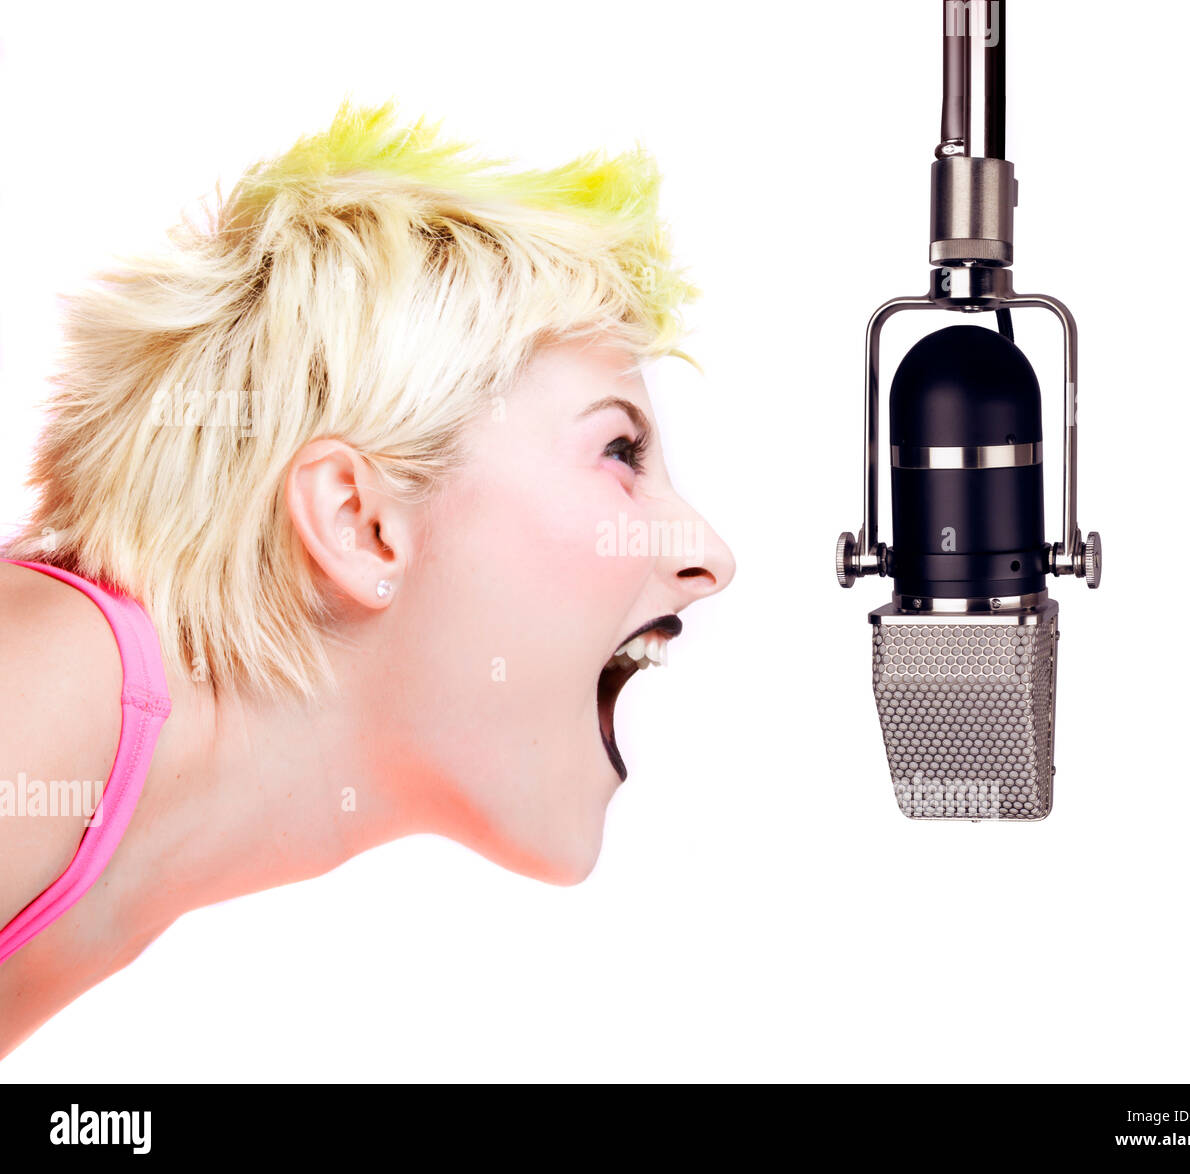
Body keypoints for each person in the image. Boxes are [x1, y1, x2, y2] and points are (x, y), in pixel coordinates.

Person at [0, 101, 735, 1054]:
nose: (713, 556)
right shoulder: (54, 688)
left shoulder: (139, 804)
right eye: (620, 450)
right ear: (360, 524)